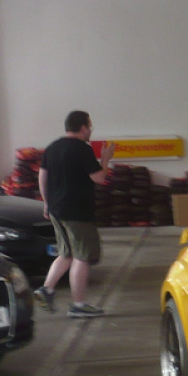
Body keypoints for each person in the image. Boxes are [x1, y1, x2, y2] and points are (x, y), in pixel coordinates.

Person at [33, 111, 115, 318]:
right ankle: (78, 305)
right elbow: (99, 178)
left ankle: (47, 289)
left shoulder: (52, 148)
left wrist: (47, 203)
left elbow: (42, 177)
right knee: (82, 257)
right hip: (77, 211)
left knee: (66, 253)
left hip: (57, 210)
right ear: (83, 127)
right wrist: (105, 158)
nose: (91, 130)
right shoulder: (82, 149)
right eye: (90, 126)